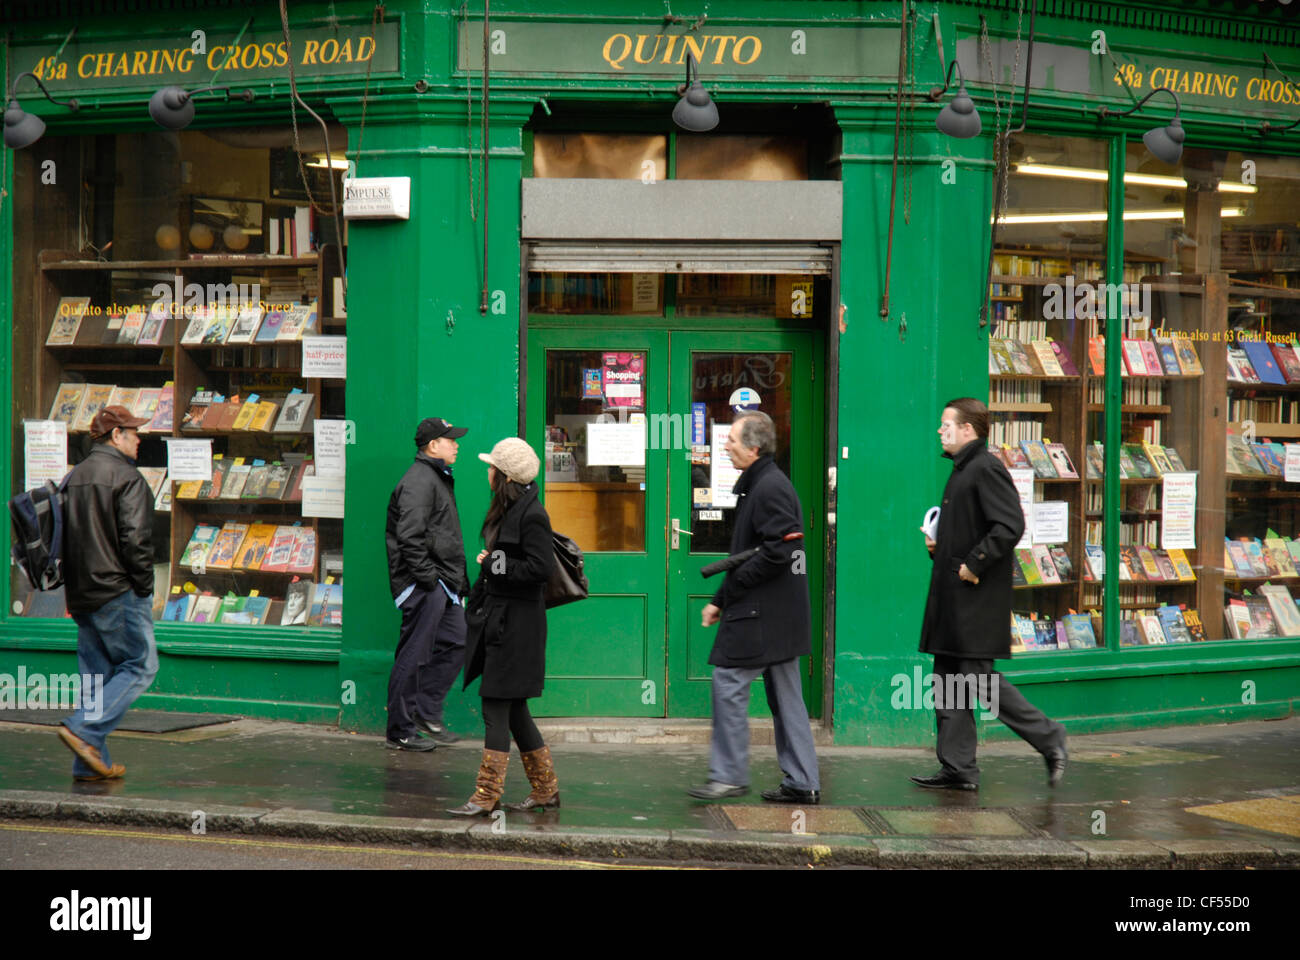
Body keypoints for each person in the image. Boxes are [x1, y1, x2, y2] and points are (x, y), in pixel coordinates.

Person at [915, 397, 1068, 791]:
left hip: (973, 603)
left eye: (946, 424)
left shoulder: (985, 468)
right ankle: (958, 768)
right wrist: (939, 545)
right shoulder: (964, 469)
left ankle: (1050, 738)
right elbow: (975, 527)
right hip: (954, 601)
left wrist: (973, 564)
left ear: (968, 430)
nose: (939, 430)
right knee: (948, 682)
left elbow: (1009, 525)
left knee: (978, 682)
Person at [688, 411, 821, 804]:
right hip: (780, 616)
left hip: (761, 616)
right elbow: (759, 551)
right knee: (787, 697)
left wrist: (734, 592)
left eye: (731, 439)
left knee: (727, 682)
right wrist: (719, 600)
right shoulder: (762, 483)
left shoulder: (769, 487)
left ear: (754, 446)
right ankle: (803, 780)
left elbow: (780, 550)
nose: (725, 444)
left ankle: (728, 775)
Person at [447, 438, 558, 816]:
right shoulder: (511, 510)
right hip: (504, 622)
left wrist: (496, 564)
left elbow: (541, 569)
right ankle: (545, 789)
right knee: (515, 712)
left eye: (492, 467)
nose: (487, 471)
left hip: (518, 628)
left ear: (506, 476)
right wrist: (493, 563)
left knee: (496, 706)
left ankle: (486, 794)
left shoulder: (533, 516)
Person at [57, 405, 159, 781]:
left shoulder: (75, 475)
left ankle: (87, 762)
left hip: (82, 594)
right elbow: (136, 541)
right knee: (140, 665)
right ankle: (84, 730)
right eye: (133, 432)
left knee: (96, 678)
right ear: (115, 436)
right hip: (118, 591)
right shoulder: (127, 477)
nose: (139, 438)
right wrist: (144, 587)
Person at [385, 417, 471, 751]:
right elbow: (410, 536)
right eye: (451, 439)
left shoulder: (436, 476)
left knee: (460, 640)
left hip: (443, 583)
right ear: (433, 445)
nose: (457, 444)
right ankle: (400, 730)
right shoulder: (421, 479)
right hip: (426, 584)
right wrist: (428, 581)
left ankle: (424, 711)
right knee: (414, 654)